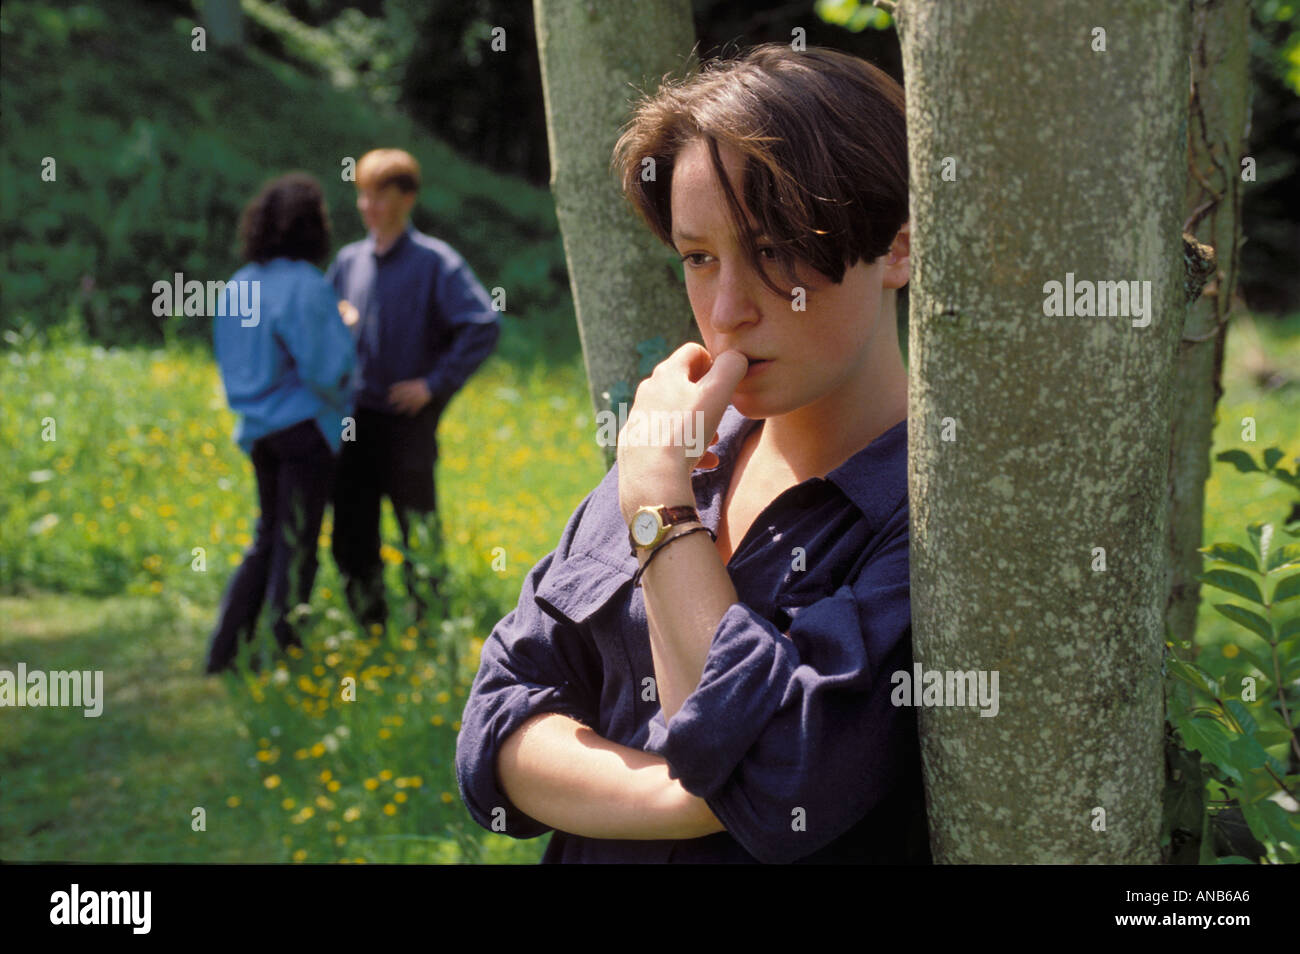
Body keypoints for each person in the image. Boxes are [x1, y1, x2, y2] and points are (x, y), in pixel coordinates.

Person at [455, 44, 931, 863]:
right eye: (699, 257)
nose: (726, 308)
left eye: (775, 249)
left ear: (897, 248)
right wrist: (689, 793)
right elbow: (494, 725)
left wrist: (654, 499)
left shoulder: (931, 516)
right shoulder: (687, 456)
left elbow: (783, 783)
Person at [326, 148, 500, 631]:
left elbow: (482, 324)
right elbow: (322, 326)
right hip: (353, 419)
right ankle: (370, 628)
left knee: (417, 531)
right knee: (351, 532)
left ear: (408, 197)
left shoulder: (434, 262)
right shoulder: (348, 261)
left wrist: (433, 384)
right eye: (362, 195)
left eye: (380, 196)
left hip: (406, 421)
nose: (368, 206)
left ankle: (431, 633)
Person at [206, 172, 355, 674]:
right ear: (311, 227)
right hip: (302, 431)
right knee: (297, 546)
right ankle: (279, 656)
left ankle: (223, 652)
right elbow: (327, 370)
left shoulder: (238, 284)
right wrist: (349, 332)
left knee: (267, 538)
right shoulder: (306, 287)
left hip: (257, 430)